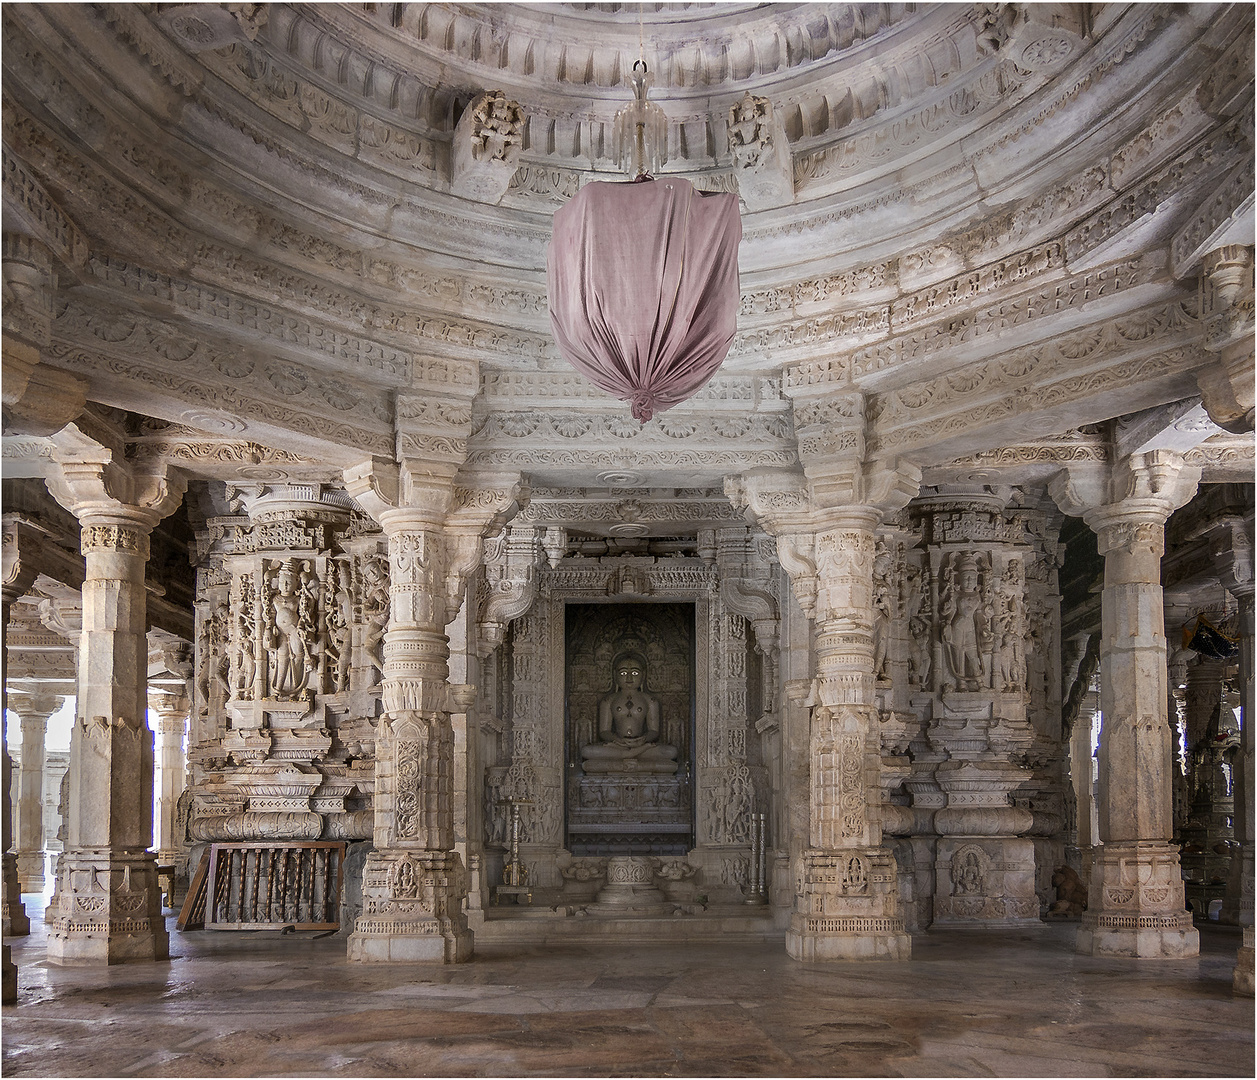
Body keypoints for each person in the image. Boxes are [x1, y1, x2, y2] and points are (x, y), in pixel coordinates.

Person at [581, 652, 678, 774]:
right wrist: (617, 740)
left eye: (635, 673)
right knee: (587, 751)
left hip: (640, 745)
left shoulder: (650, 700)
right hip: (618, 746)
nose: (629, 678)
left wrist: (643, 740)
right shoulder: (609, 700)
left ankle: (626, 757)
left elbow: (654, 731)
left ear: (643, 676)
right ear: (615, 676)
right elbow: (604, 732)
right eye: (623, 673)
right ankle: (633, 758)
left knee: (671, 752)